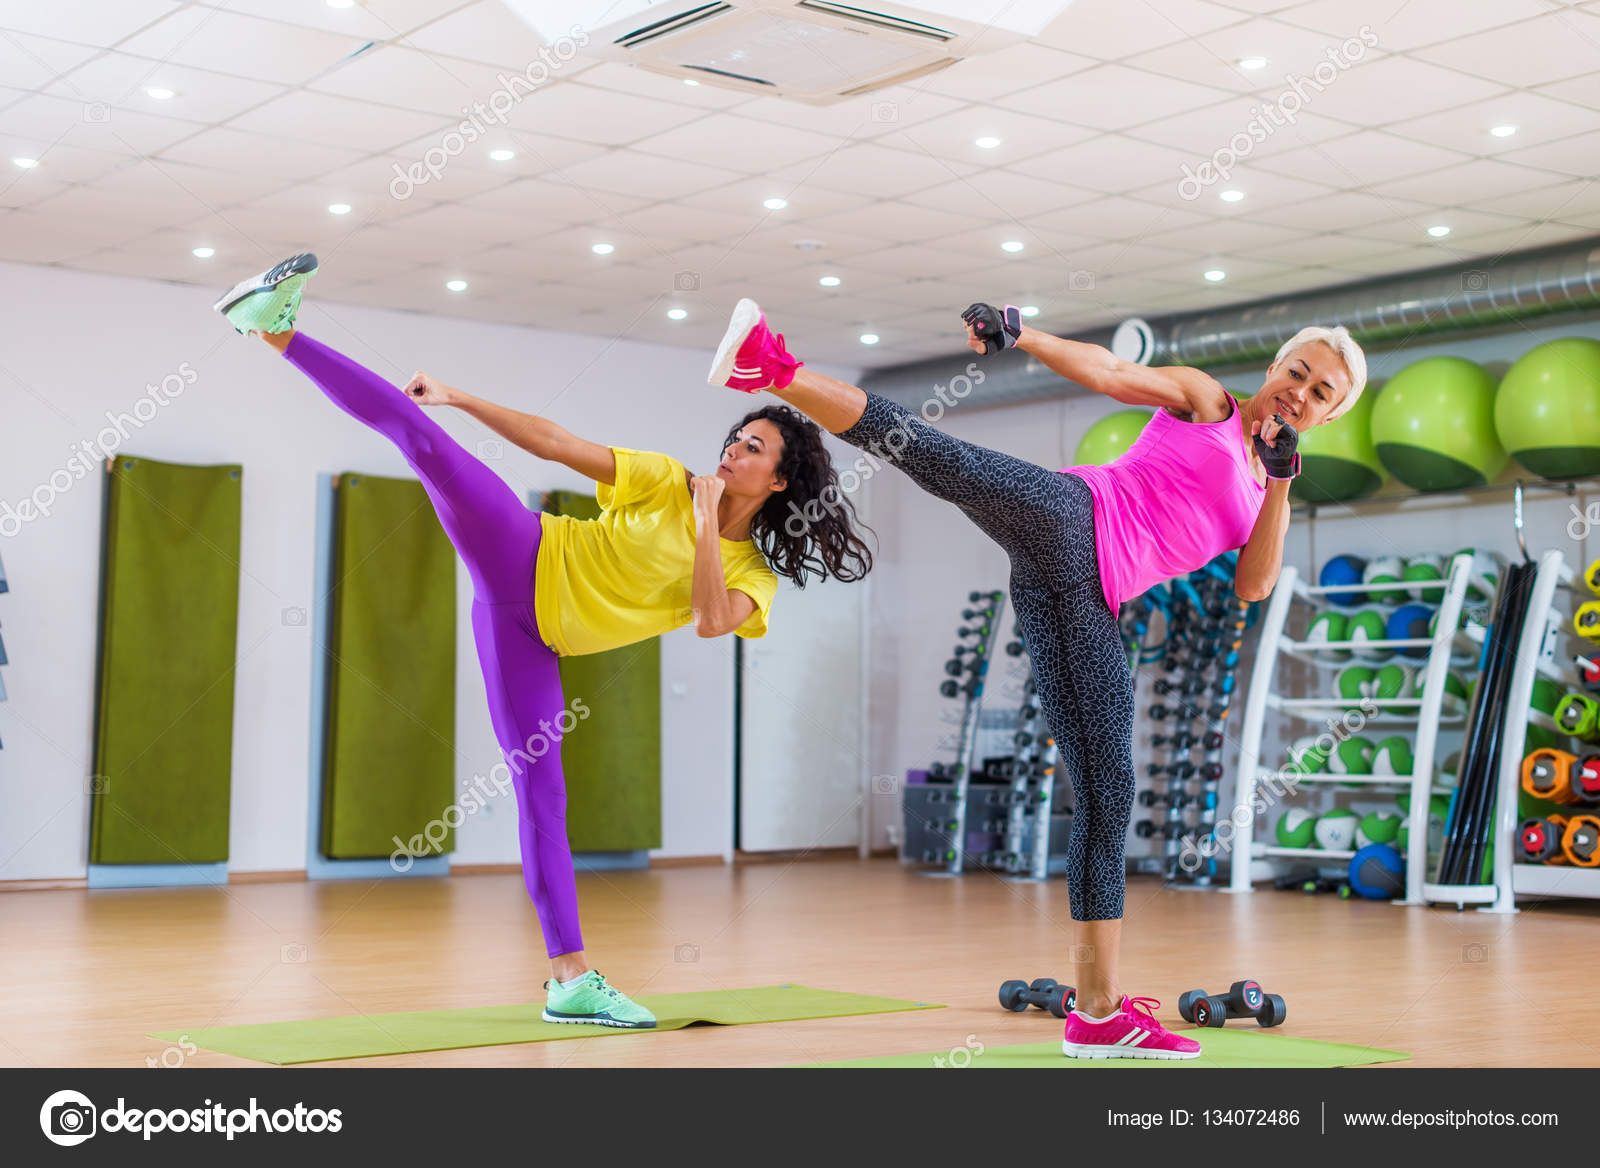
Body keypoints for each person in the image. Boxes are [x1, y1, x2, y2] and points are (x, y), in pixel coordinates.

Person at [214, 256, 873, 1029]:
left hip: (526, 637)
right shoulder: (663, 477)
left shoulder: (750, 570)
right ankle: (275, 329)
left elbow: (708, 619)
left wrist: (701, 526)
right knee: (423, 439)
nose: (733, 450)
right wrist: (459, 397)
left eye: (753, 448)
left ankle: (570, 980)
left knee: (543, 797)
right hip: (522, 551)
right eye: (736, 436)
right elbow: (557, 443)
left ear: (780, 482)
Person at [707, 297, 1366, 1058]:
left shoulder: (1268, 488)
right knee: (932, 454)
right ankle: (772, 369)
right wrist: (1024, 335)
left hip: (1084, 596)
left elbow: (1253, 585)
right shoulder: (1207, 401)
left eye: (1321, 392)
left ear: (1329, 414)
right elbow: (1113, 373)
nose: (1300, 392)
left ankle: (1096, 1013)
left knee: (1107, 789)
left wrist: (1282, 481)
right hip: (1071, 516)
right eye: (1299, 372)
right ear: (1276, 366)